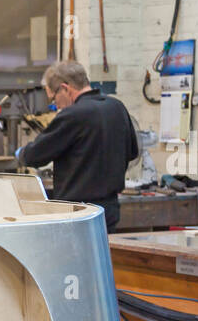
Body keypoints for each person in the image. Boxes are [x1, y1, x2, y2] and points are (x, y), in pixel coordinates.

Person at [16, 60, 139, 231]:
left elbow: (34, 156)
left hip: (76, 213)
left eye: (54, 98)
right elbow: (132, 152)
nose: (56, 105)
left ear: (65, 88)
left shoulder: (73, 115)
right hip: (109, 211)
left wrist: (20, 153)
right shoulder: (117, 107)